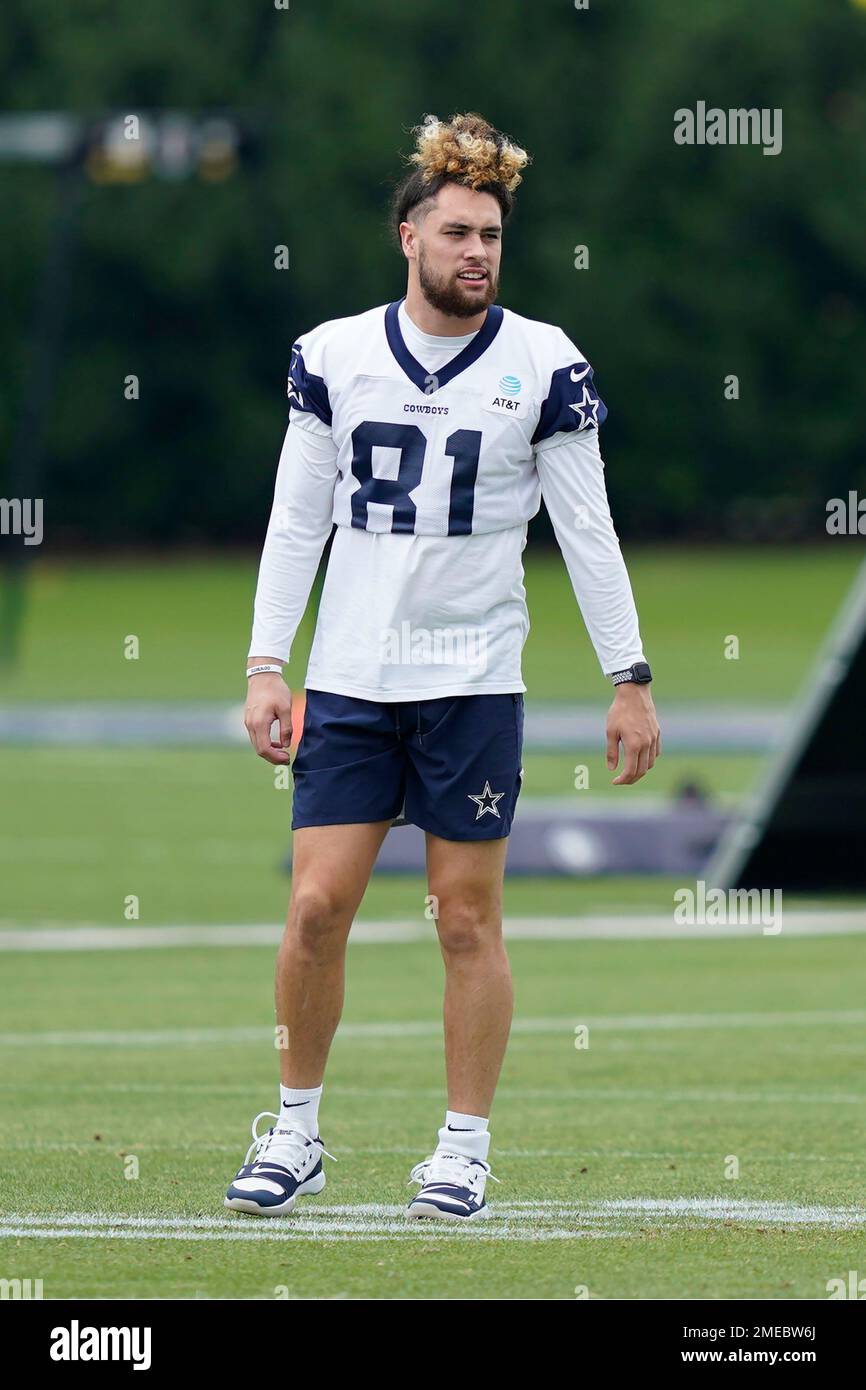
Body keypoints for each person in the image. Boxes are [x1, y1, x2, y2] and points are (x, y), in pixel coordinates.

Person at [225, 111, 660, 1222]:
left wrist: (630, 675)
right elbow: (294, 520)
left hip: (471, 682)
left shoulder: (544, 363)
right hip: (356, 678)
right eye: (457, 231)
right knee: (316, 908)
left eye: (493, 237)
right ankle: (295, 1128)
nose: (477, 252)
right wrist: (267, 662)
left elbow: (587, 527)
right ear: (407, 237)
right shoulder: (331, 355)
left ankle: (462, 1147)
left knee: (465, 919)